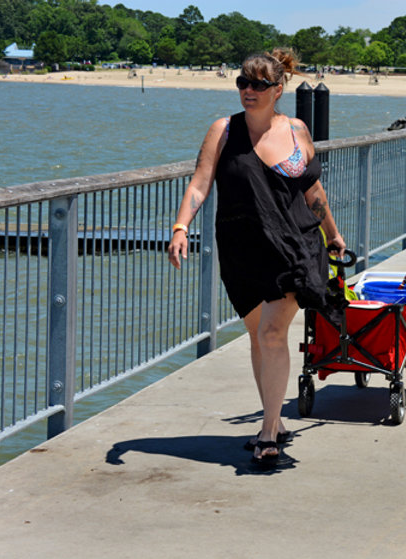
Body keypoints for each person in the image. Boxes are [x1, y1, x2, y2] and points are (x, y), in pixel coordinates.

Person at [168, 48, 346, 467]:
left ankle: (268, 431)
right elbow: (199, 184)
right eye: (242, 83)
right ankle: (274, 418)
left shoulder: (298, 131)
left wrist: (334, 235)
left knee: (271, 334)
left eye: (258, 85)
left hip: (293, 245)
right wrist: (180, 227)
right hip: (242, 248)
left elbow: (312, 191)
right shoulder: (223, 131)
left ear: (278, 90)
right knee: (257, 337)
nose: (248, 91)